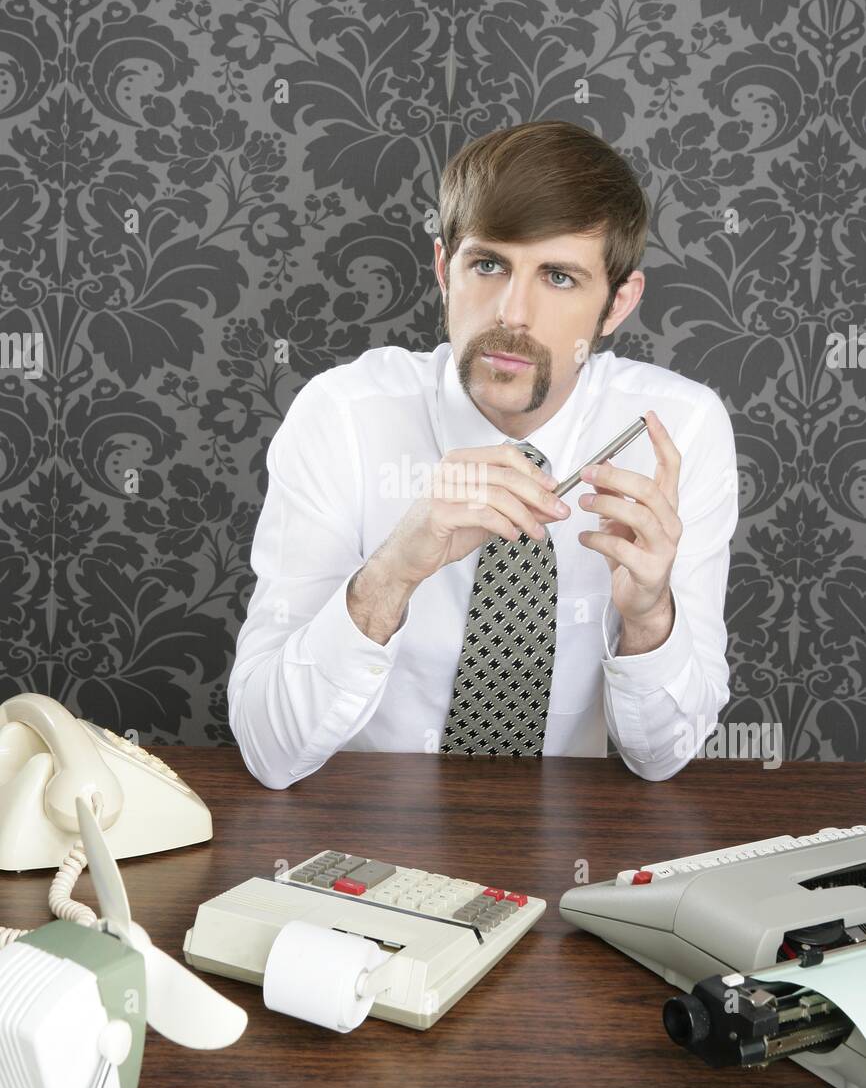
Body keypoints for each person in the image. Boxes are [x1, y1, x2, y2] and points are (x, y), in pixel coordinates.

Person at [228, 120, 738, 789]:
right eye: (488, 265)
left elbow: (663, 756)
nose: (511, 312)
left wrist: (649, 617)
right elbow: (270, 751)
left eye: (558, 276)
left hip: (569, 848)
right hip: (358, 836)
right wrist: (391, 574)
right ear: (445, 268)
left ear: (617, 304)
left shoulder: (681, 428)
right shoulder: (343, 416)